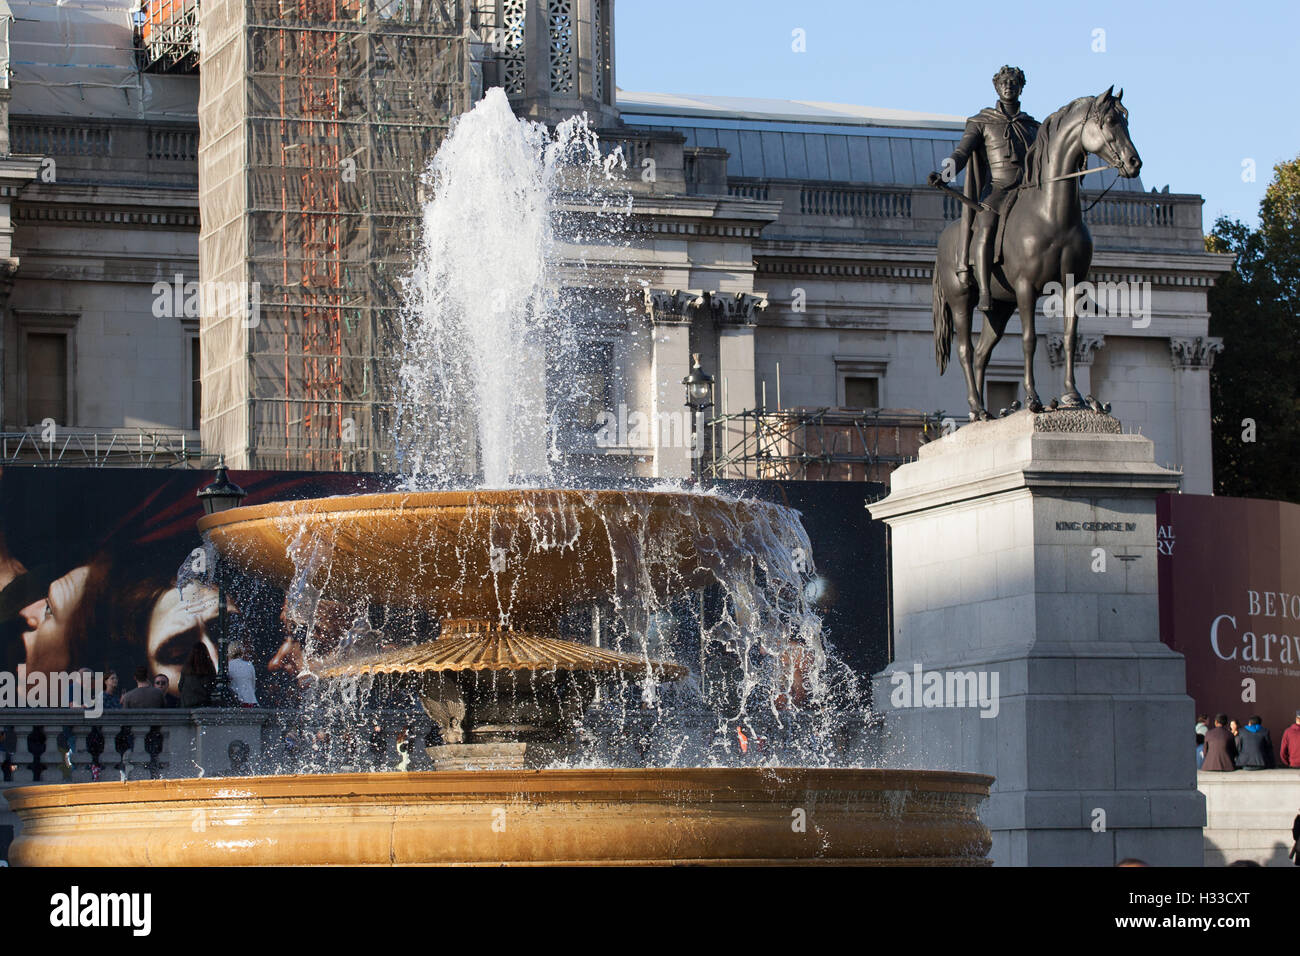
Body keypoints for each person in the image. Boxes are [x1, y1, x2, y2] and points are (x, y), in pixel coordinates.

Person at [928, 65, 1040, 313]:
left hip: (1027, 192)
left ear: (1021, 87)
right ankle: (985, 290)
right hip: (999, 189)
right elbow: (961, 153)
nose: (1009, 86)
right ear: (997, 87)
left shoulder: (1033, 127)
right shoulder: (981, 122)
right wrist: (945, 173)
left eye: (1013, 82)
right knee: (987, 224)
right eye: (1004, 82)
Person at [179, 641, 216, 708]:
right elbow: (212, 686)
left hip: (187, 703)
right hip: (204, 704)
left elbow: (180, 686)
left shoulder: (186, 668)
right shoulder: (209, 668)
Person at [228, 642, 258, 707]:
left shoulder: (228, 666)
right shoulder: (249, 665)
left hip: (237, 700)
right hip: (250, 700)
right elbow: (253, 684)